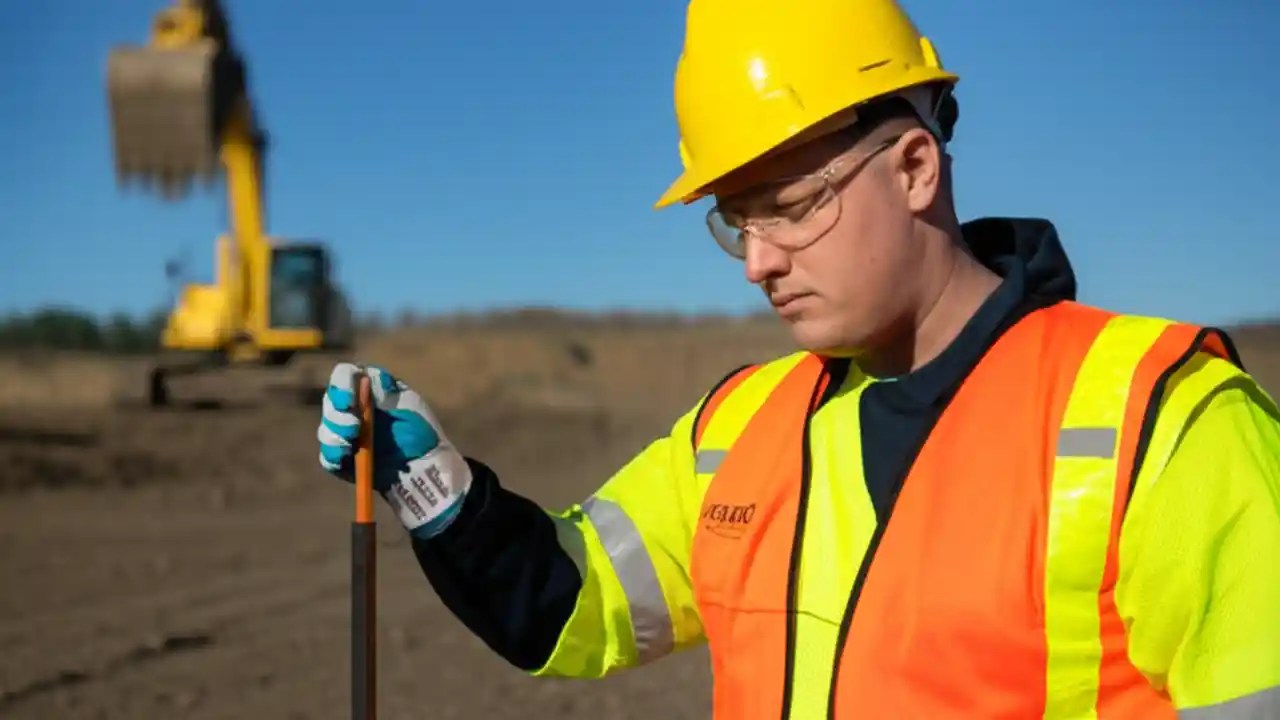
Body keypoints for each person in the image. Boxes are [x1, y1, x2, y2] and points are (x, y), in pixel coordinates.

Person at [316, 0, 1280, 716]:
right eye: (738, 222)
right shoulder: (739, 429)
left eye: (791, 203)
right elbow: (576, 609)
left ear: (913, 167)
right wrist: (436, 491)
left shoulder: (1162, 424)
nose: (761, 261)